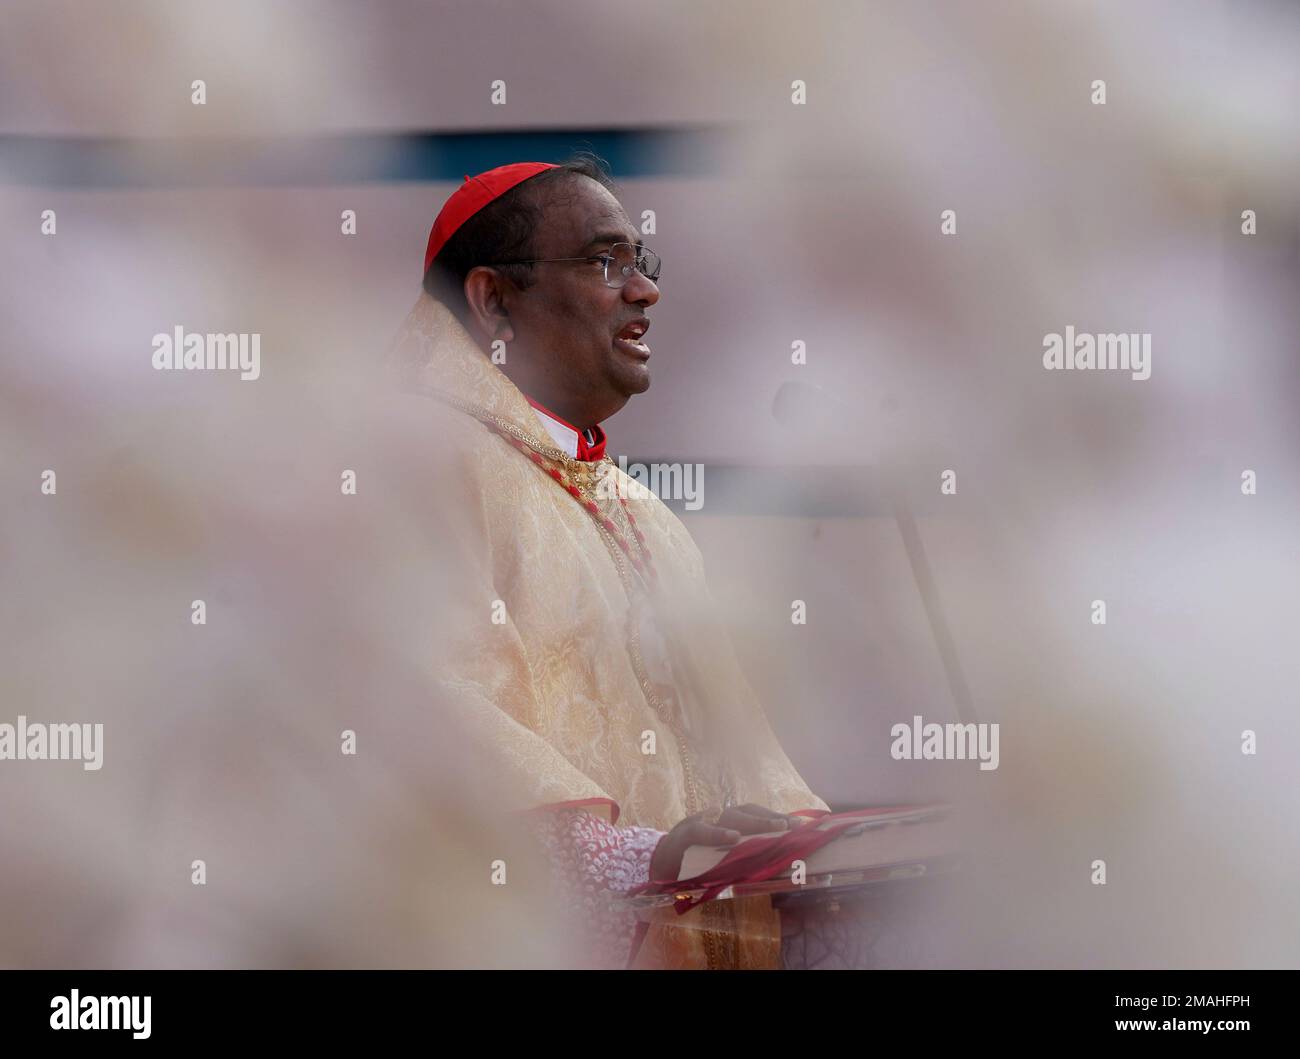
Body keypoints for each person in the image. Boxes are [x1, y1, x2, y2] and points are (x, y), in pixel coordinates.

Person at [387, 155, 830, 969]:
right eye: (603, 262)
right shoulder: (413, 456)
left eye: (641, 261)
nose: (645, 291)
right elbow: (420, 716)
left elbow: (745, 755)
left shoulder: (647, 515)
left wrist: (818, 854)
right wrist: (635, 858)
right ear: (492, 300)